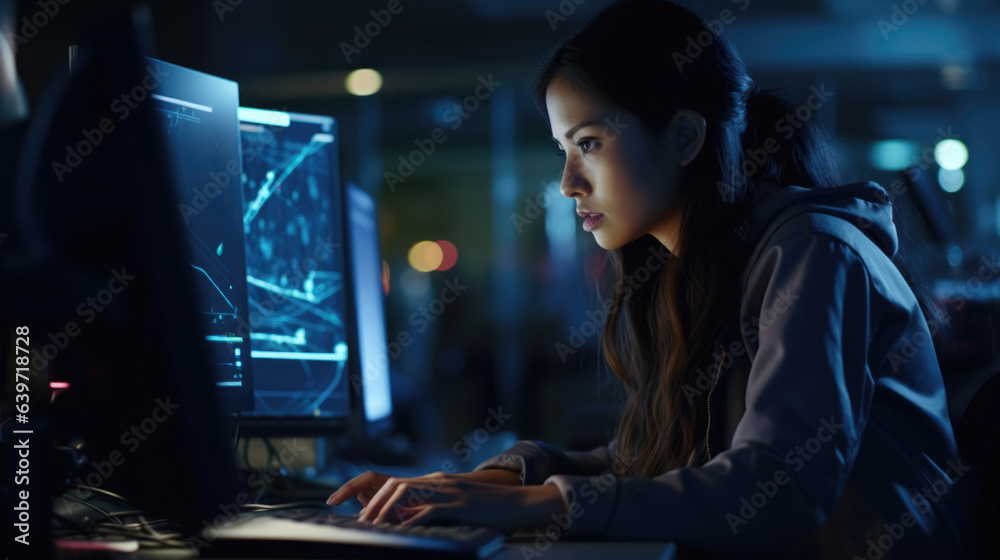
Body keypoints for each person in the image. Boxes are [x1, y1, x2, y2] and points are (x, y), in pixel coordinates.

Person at [328, 0, 976, 556]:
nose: (567, 183)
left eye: (589, 144)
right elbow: (667, 463)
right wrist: (508, 478)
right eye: (563, 149)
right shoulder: (707, 262)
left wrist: (537, 506)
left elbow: (776, 486)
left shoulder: (812, 255)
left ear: (685, 137)